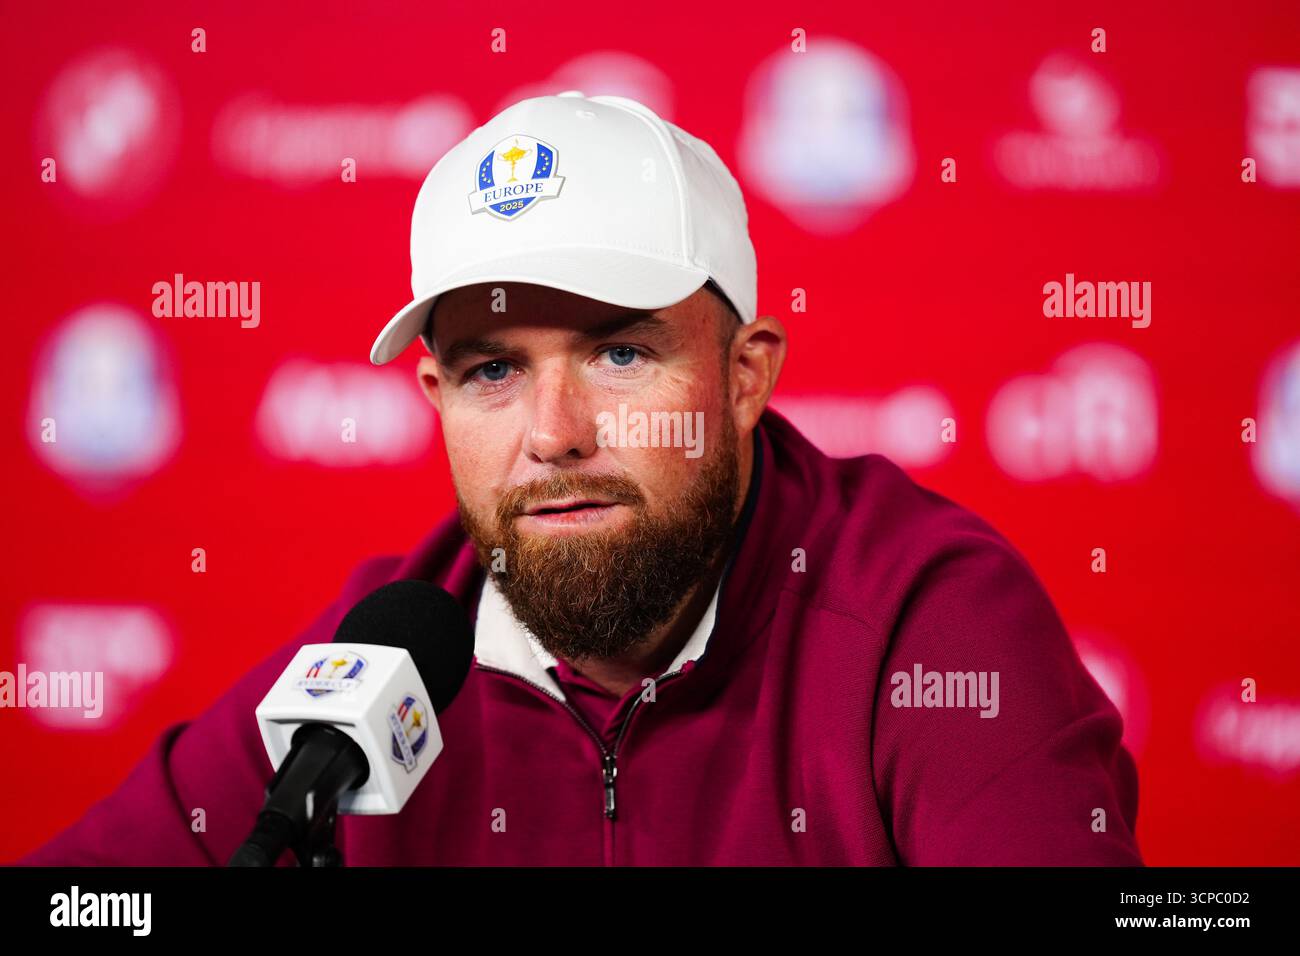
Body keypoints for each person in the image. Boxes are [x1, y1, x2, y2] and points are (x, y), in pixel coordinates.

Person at [17, 92, 1141, 866]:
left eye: (617, 353)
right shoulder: (390, 647)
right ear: (436, 404)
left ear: (744, 376)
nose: (552, 434)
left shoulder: (922, 620)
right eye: (493, 369)